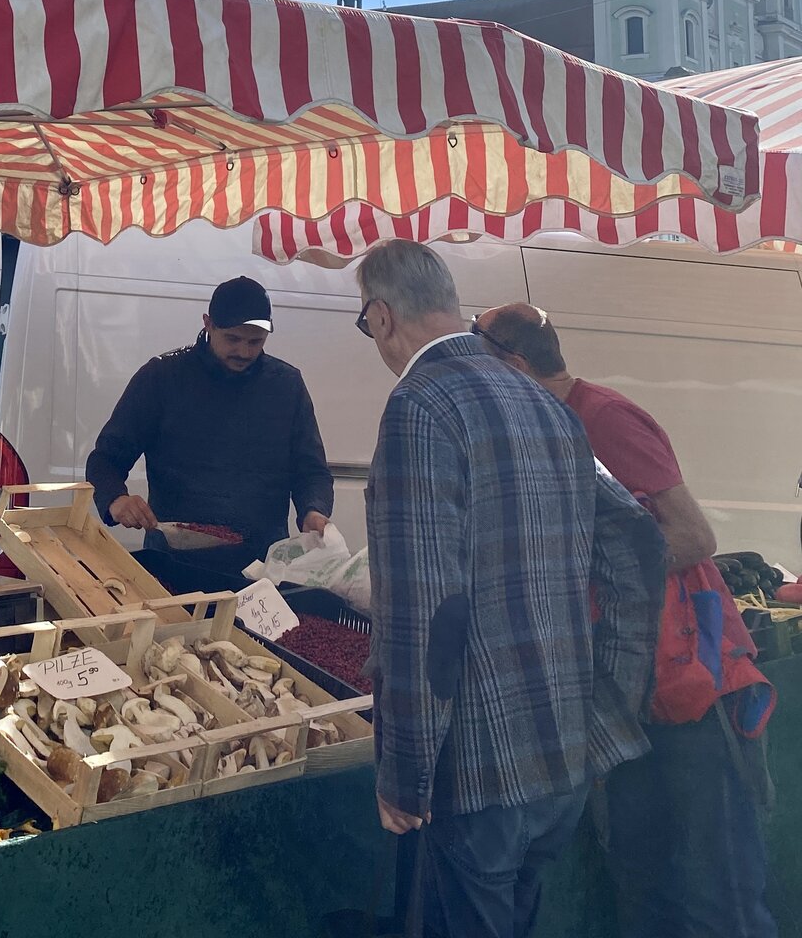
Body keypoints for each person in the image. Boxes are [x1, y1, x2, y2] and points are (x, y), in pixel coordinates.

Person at [356, 241, 664, 938]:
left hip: (476, 774)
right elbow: (639, 542)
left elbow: (422, 607)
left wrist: (404, 772)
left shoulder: (419, 405)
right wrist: (609, 705)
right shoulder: (545, 401)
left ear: (380, 317)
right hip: (561, 760)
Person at [477, 303, 777, 938]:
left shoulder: (605, 419)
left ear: (514, 365)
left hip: (692, 691)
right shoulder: (544, 429)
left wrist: (575, 573)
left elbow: (694, 537)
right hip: (625, 701)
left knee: (712, 890)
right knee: (640, 884)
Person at [85, 273, 334, 593]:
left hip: (259, 571)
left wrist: (313, 510)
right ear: (208, 324)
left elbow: (311, 469)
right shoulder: (162, 378)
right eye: (233, 339)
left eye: (255, 341)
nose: (244, 352)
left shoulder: (286, 386)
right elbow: (105, 458)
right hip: (174, 568)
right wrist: (116, 499)